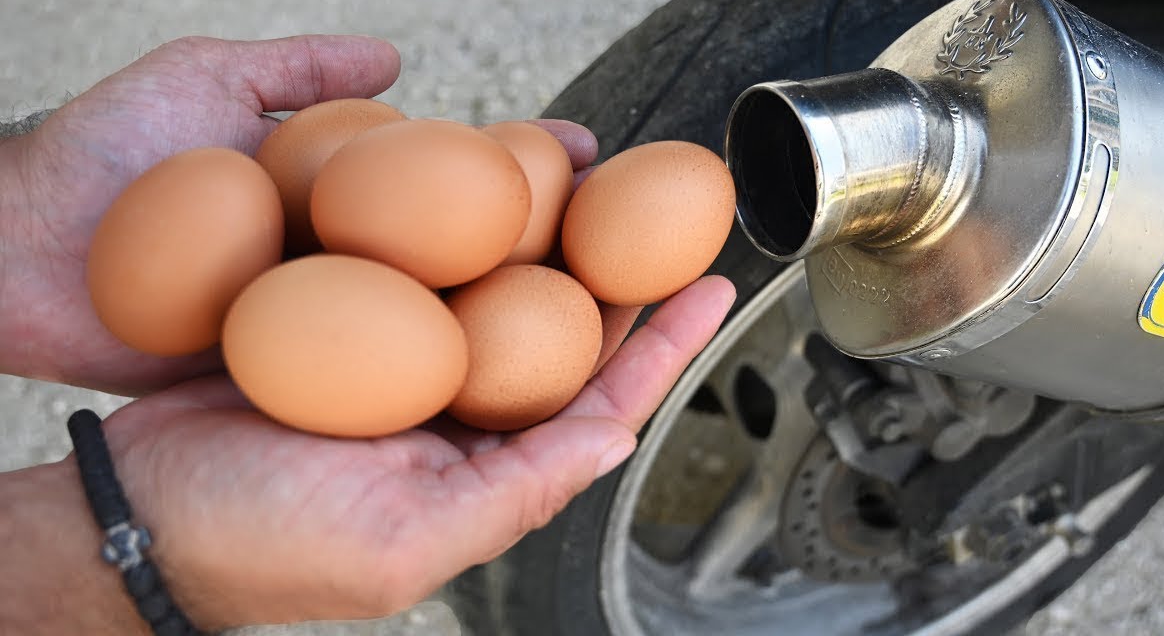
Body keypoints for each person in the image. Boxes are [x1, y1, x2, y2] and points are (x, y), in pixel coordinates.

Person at [0, 34, 735, 634]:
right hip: (377, 281)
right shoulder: (306, 241)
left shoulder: (332, 247)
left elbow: (440, 206)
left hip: (407, 282)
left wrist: (27, 213)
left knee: (503, 188)